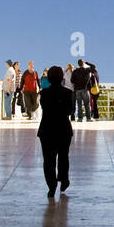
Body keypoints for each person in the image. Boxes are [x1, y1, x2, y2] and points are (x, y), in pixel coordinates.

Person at [38, 65, 74, 198]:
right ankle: (64, 180)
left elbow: (44, 108)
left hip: (47, 130)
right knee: (63, 157)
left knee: (48, 160)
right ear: (62, 77)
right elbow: (70, 111)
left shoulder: (44, 94)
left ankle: (51, 186)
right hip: (63, 129)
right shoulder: (68, 93)